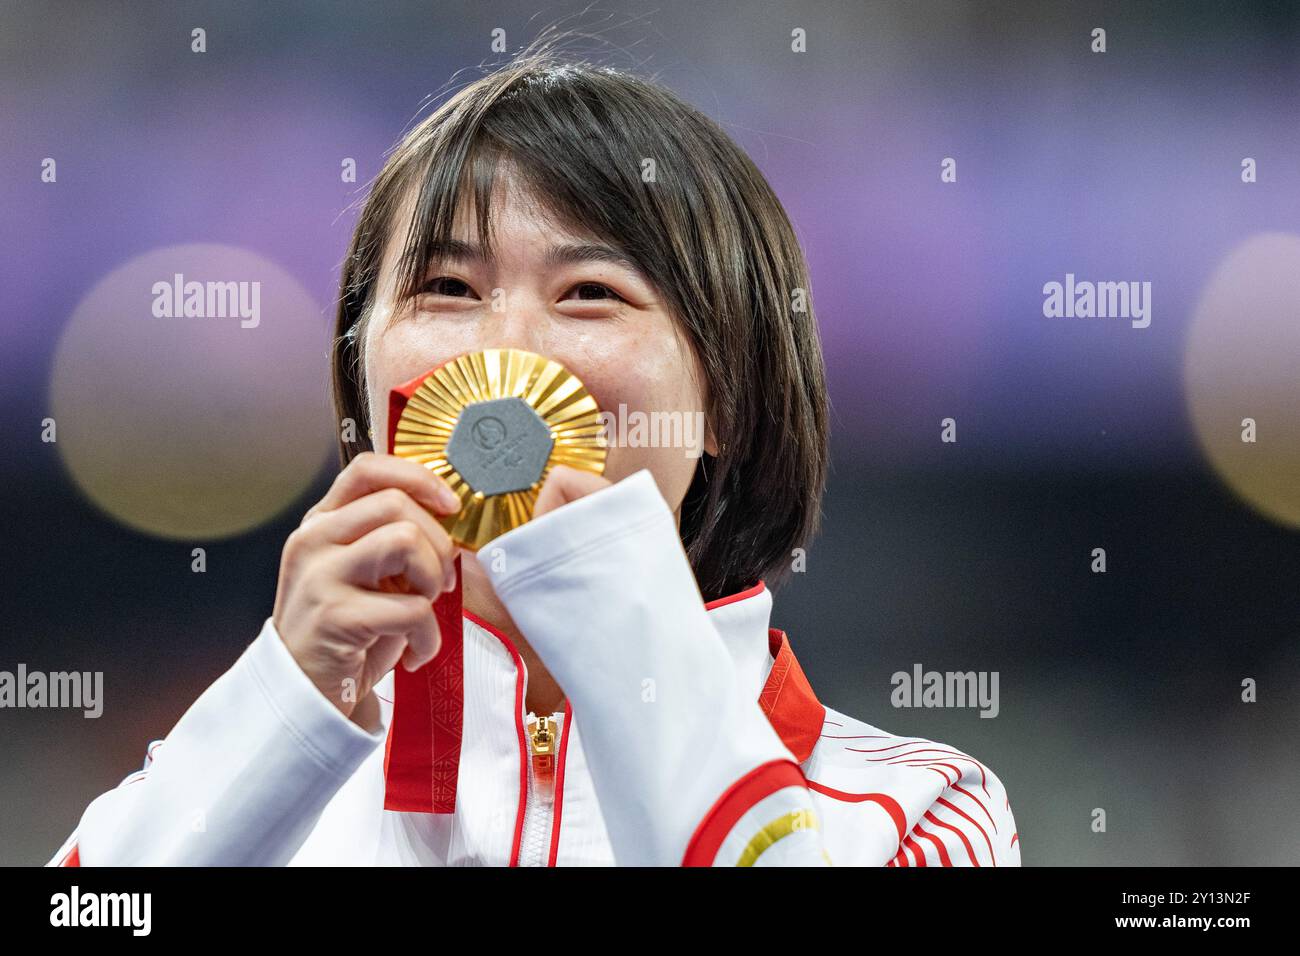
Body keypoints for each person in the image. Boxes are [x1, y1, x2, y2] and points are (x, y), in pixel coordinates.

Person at [48, 48, 1019, 867]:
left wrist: (620, 624)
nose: (504, 352)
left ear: (727, 395)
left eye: (590, 290)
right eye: (445, 285)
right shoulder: (245, 797)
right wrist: (284, 703)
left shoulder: (918, 809)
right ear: (361, 376)